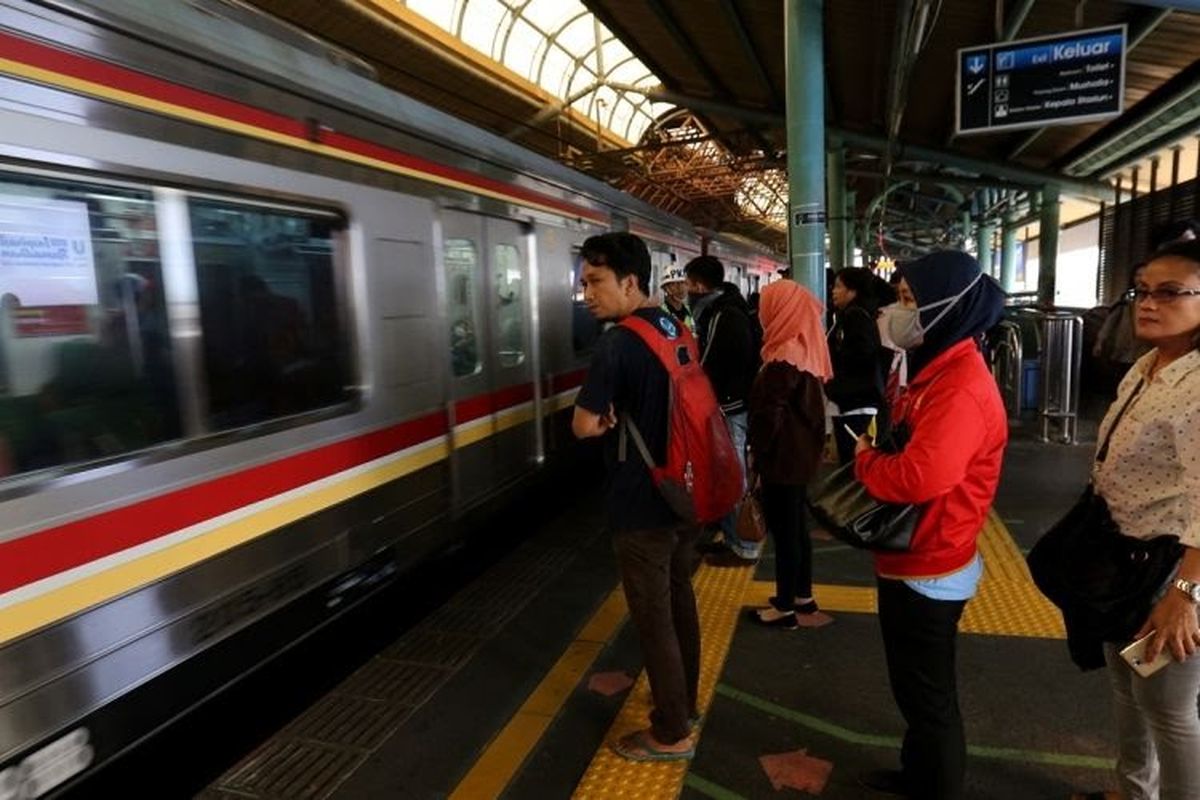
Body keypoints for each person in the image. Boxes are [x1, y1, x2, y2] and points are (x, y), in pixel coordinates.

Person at [853, 251, 1008, 799]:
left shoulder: (960, 385)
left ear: (948, 307)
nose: (897, 310)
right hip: (916, 551)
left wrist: (865, 460)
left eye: (908, 300)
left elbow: (919, 477)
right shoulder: (933, 366)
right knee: (916, 689)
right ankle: (918, 774)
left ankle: (934, 785)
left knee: (929, 695)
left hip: (930, 559)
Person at [572, 232, 699, 762]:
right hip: (683, 491)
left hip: (641, 501)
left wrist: (602, 420)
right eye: (582, 283)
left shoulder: (618, 342)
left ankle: (671, 732)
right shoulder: (675, 325)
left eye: (596, 282)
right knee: (679, 599)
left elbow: (582, 425)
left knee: (653, 617)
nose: (586, 294)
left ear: (629, 282)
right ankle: (684, 701)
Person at [1091, 238, 1200, 800]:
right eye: (1143, 291)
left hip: (1172, 569)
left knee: (1170, 707)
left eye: (1171, 292)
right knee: (1127, 686)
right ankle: (1134, 793)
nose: (1148, 303)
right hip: (1127, 560)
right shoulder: (1148, 366)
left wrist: (1184, 594)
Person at [746, 280, 833, 629]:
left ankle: (784, 608)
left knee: (785, 533)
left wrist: (756, 453)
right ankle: (802, 596)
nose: (761, 313)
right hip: (800, 457)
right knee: (797, 529)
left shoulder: (783, 357)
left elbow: (769, 415)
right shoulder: (804, 347)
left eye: (768, 305)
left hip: (782, 460)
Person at [684, 255, 760, 566]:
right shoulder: (730, 308)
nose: (686, 290)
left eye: (688, 284)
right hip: (735, 403)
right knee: (728, 470)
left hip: (730, 406)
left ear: (700, 286)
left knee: (733, 473)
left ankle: (742, 545)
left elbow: (709, 364)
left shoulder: (722, 315)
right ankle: (731, 535)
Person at [827, 267, 894, 464]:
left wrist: (834, 382)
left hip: (855, 402)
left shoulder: (854, 317)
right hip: (857, 400)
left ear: (853, 291)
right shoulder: (859, 314)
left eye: (839, 286)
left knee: (855, 465)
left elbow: (861, 355)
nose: (833, 290)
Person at [658, 266, 695, 334]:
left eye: (682, 283)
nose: (680, 287)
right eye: (674, 283)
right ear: (666, 288)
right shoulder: (660, 313)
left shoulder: (691, 311)